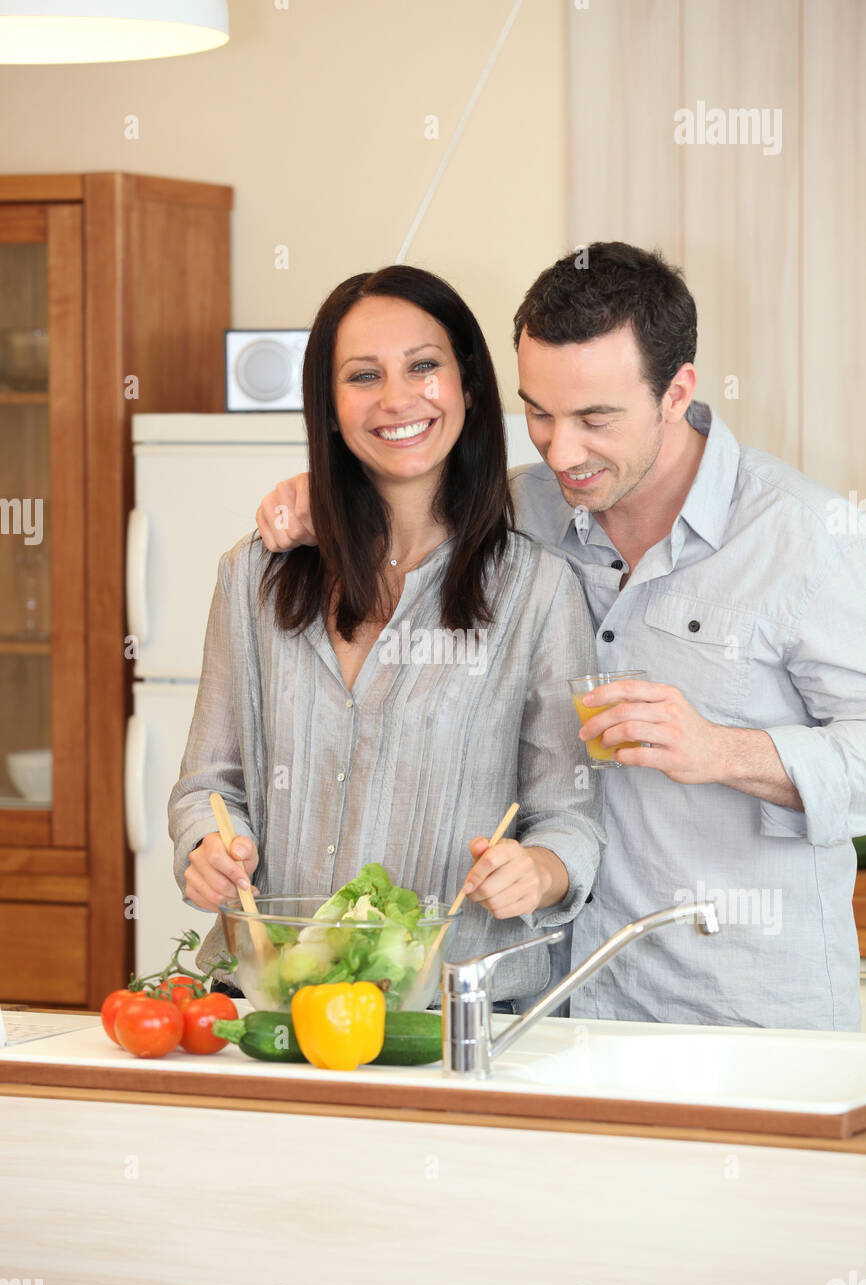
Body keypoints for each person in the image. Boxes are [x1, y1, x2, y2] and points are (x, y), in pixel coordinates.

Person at [255, 243, 866, 1031]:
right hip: (558, 1008)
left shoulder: (808, 538)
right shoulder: (524, 511)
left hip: (744, 1014)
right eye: (538, 413)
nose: (561, 451)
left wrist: (725, 750)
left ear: (676, 392)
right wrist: (327, 500)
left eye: (595, 419)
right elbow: (402, 508)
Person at [168, 264, 604, 1009]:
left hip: (453, 1014)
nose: (398, 399)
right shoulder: (253, 576)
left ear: (467, 384)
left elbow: (570, 814)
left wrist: (539, 869)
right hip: (271, 1004)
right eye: (363, 375)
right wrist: (203, 849)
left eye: (424, 367)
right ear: (330, 407)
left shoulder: (537, 592)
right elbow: (208, 785)